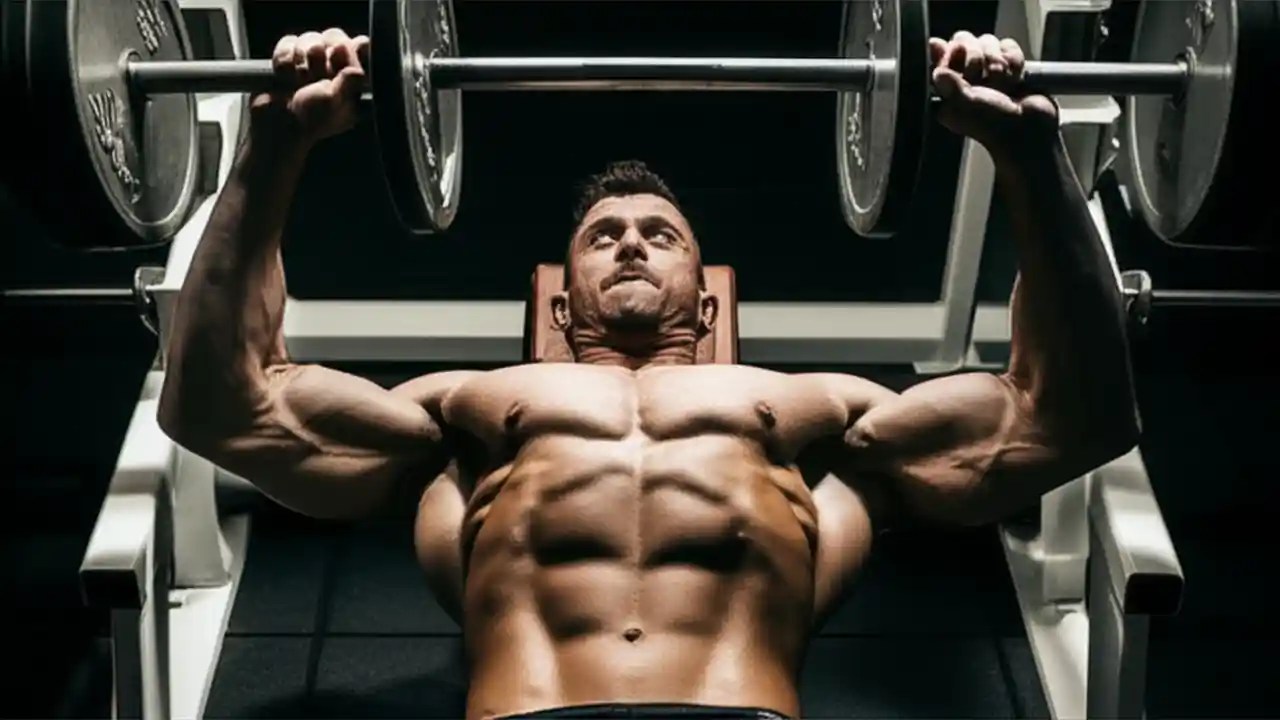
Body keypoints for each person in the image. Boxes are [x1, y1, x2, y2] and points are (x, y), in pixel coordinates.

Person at [158, 26, 1140, 720]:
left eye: (656, 235)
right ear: (559, 297)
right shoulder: (466, 410)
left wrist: (1028, 154)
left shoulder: (815, 416)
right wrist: (275, 143)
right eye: (602, 238)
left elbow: (1065, 421)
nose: (627, 246)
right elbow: (221, 403)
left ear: (707, 299)